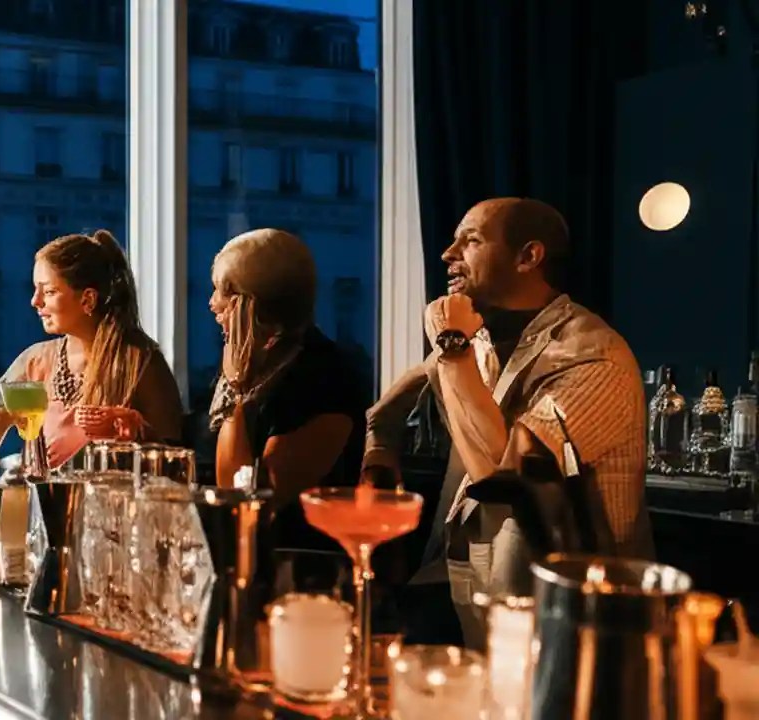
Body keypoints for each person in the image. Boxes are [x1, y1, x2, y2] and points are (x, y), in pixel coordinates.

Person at [364, 197, 653, 648]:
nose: (448, 253)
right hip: (467, 590)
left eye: (471, 240)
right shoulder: (478, 340)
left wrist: (452, 345)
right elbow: (383, 414)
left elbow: (500, 476)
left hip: (572, 618)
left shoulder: (592, 354)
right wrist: (378, 463)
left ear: (528, 257)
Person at [207, 229, 369, 551]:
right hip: (250, 552)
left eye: (223, 293)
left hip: (303, 565)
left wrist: (236, 392)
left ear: (254, 305)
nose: (212, 304)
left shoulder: (325, 374)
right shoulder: (263, 361)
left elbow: (247, 498)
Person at [0, 229, 183, 467]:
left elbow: (175, 465)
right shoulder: (36, 361)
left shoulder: (142, 361)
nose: (35, 301)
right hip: (46, 504)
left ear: (87, 299)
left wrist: (136, 430)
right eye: (36, 290)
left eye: (49, 291)